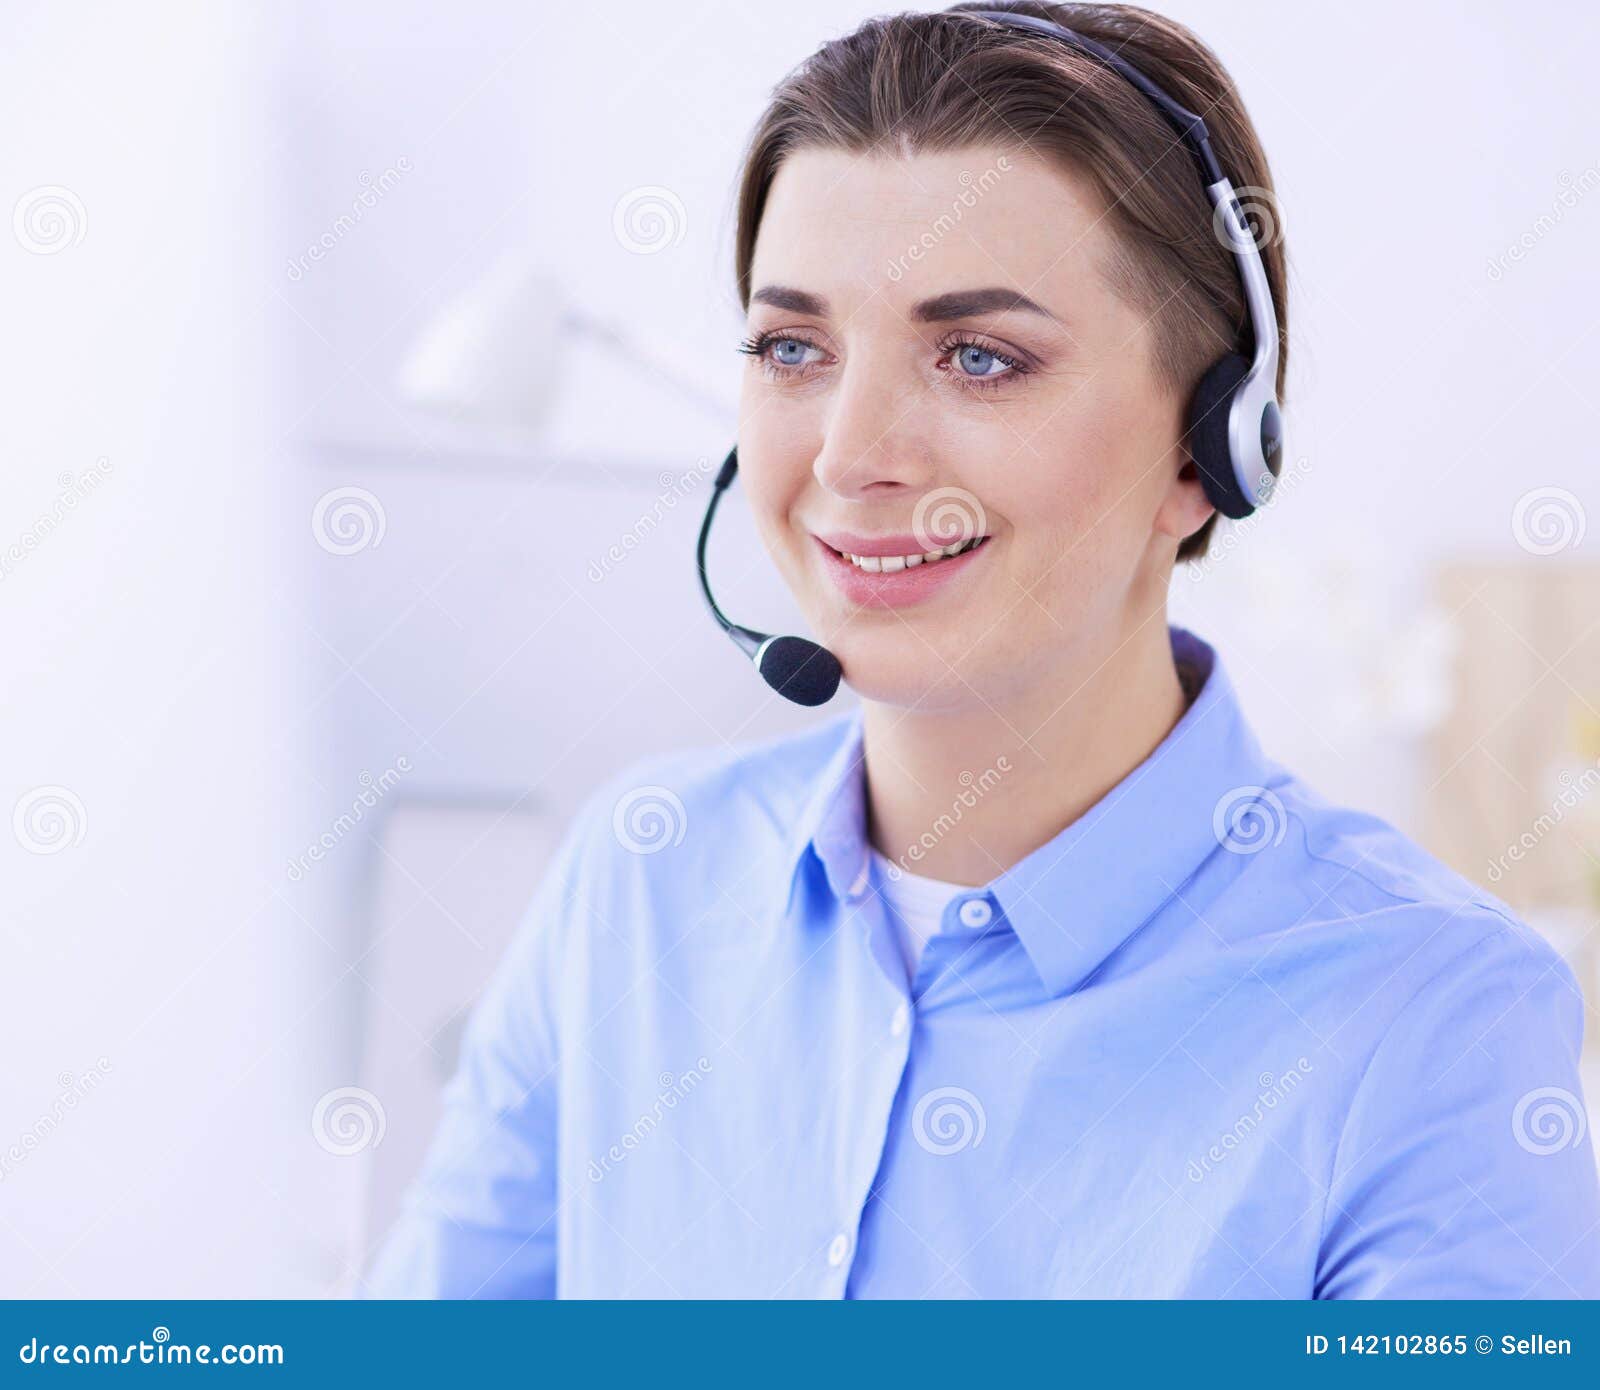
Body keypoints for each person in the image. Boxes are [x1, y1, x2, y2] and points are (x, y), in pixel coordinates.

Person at [363, 1, 1600, 1298]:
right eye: (795, 347)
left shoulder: (1428, 1019)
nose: (849, 453)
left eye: (979, 357)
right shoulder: (638, 884)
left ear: (1208, 448)